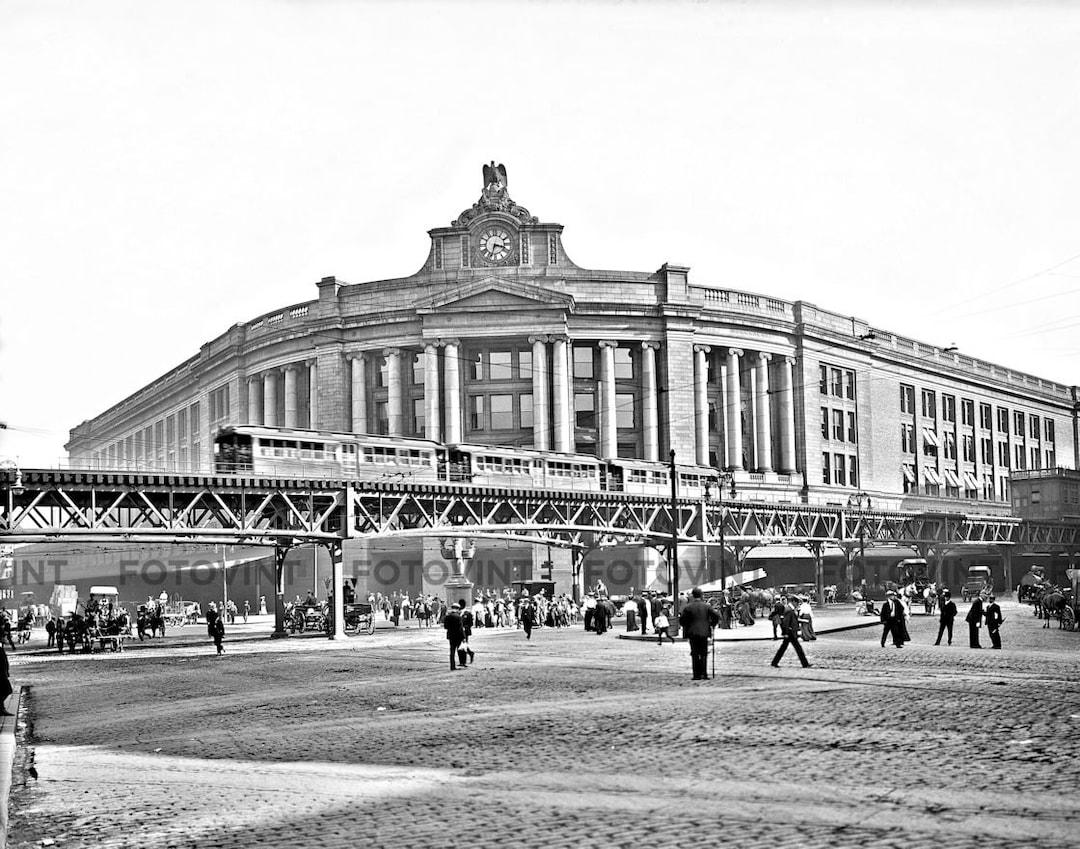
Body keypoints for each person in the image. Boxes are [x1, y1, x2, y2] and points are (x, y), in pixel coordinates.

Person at [678, 587, 720, 680]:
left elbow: (682, 620)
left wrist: (687, 626)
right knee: (704, 653)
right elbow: (716, 615)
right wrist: (712, 624)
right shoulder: (707, 606)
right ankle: (704, 674)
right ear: (701, 596)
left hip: (692, 633)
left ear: (693, 595)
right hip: (704, 632)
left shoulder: (688, 607)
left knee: (695, 653)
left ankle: (696, 675)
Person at [771, 596, 811, 668]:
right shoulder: (789, 610)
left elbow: (791, 620)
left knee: (784, 648)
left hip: (790, 632)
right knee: (798, 648)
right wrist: (786, 633)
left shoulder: (789, 609)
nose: (797, 605)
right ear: (793, 602)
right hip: (790, 632)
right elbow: (786, 622)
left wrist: (802, 621)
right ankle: (805, 663)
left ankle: (774, 662)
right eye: (797, 603)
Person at [443, 600, 466, 669]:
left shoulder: (447, 616)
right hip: (458, 636)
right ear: (458, 609)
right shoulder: (458, 617)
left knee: (452, 651)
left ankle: (452, 666)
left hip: (451, 636)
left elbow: (445, 627)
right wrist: (463, 637)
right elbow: (460, 628)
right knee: (460, 650)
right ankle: (462, 662)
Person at [0, 643, 11, 716]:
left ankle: (1, 709)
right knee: (7, 690)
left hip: (3, 674)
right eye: (4, 636)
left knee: (4, 690)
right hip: (1, 674)